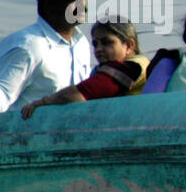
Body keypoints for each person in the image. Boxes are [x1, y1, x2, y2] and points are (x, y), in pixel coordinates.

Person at [20, 18, 150, 118]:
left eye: (106, 42)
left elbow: (77, 95)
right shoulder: (114, 67)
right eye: (95, 44)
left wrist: (41, 103)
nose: (98, 49)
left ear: (129, 45)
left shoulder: (129, 68)